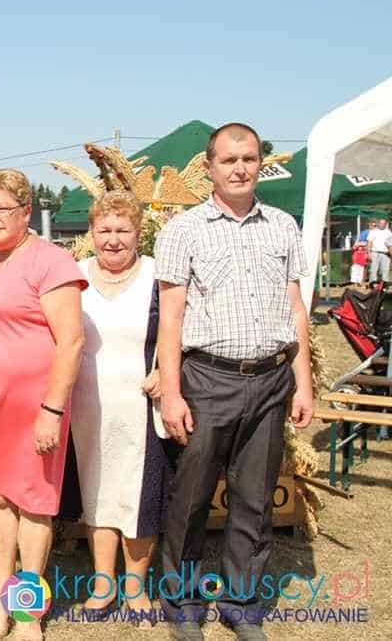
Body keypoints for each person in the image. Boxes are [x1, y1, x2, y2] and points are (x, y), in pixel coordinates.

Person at [154, 123, 313, 641]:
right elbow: (171, 320)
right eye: (229, 160)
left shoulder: (284, 226)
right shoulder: (183, 230)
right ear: (209, 168)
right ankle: (182, 603)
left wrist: (303, 382)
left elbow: (296, 310)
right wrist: (173, 392)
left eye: (249, 159)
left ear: (260, 162)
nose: (240, 168)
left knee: (254, 499)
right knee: (191, 499)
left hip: (270, 383)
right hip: (207, 382)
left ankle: (242, 603)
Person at [0, 168, 85, 640]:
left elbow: (71, 342)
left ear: (26, 211)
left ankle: (27, 613)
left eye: (2, 209)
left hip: (35, 409)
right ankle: (1, 602)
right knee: (0, 501)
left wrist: (51, 409)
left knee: (34, 506)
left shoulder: (52, 261)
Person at [69, 190, 170, 628]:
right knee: (98, 494)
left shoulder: (157, 275)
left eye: (122, 230)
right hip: (86, 407)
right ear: (91, 232)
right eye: (104, 229)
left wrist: (167, 367)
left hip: (143, 405)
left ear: (138, 233)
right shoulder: (72, 276)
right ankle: (102, 585)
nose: (113, 239)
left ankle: (136, 589)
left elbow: (180, 327)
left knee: (140, 495)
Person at [368, 218, 391, 283]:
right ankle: (372, 284)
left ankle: (384, 285)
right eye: (381, 223)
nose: (382, 225)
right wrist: (369, 253)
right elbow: (369, 242)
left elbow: (391, 244)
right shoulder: (373, 231)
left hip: (386, 254)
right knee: (373, 270)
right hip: (375, 253)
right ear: (378, 224)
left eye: (384, 223)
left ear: (386, 224)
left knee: (385, 270)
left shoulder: (388, 232)